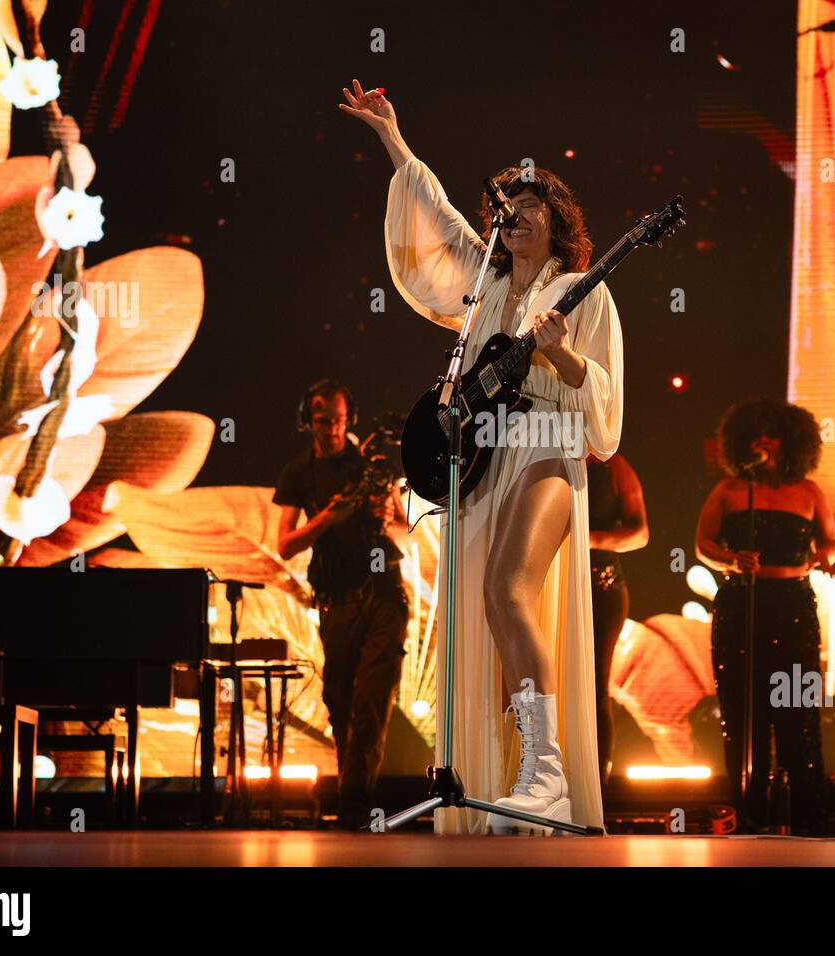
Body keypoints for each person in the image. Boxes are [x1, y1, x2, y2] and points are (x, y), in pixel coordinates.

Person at [341, 79, 623, 834]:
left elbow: (604, 416)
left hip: (549, 447)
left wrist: (561, 360)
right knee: (496, 609)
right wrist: (392, 138)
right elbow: (436, 217)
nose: (512, 218)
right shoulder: (488, 286)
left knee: (506, 587)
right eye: (503, 210)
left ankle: (548, 774)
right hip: (487, 459)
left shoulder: (580, 291)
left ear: (557, 219)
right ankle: (514, 779)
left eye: (527, 207)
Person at [695, 399, 835, 834]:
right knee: (744, 712)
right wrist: (732, 560)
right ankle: (751, 811)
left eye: (772, 432)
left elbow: (830, 542)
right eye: (755, 433)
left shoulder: (810, 493)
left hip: (793, 604)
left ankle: (807, 815)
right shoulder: (730, 490)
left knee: (798, 709)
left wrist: (824, 557)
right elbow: (702, 544)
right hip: (743, 604)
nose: (763, 440)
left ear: (792, 442)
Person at [275, 379, 410, 831]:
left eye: (337, 419)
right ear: (306, 422)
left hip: (384, 594)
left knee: (371, 701)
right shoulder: (299, 474)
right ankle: (354, 799)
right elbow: (285, 545)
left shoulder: (371, 464)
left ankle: (353, 806)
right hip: (337, 601)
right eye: (321, 420)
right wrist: (327, 519)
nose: (331, 428)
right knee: (338, 699)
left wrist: (388, 508)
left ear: (349, 419)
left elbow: (407, 521)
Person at [587, 452, 648, 789]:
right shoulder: (544, 453)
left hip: (602, 588)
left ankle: (596, 789)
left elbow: (640, 533)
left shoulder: (614, 466)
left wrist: (589, 539)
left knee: (596, 686)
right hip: (550, 588)